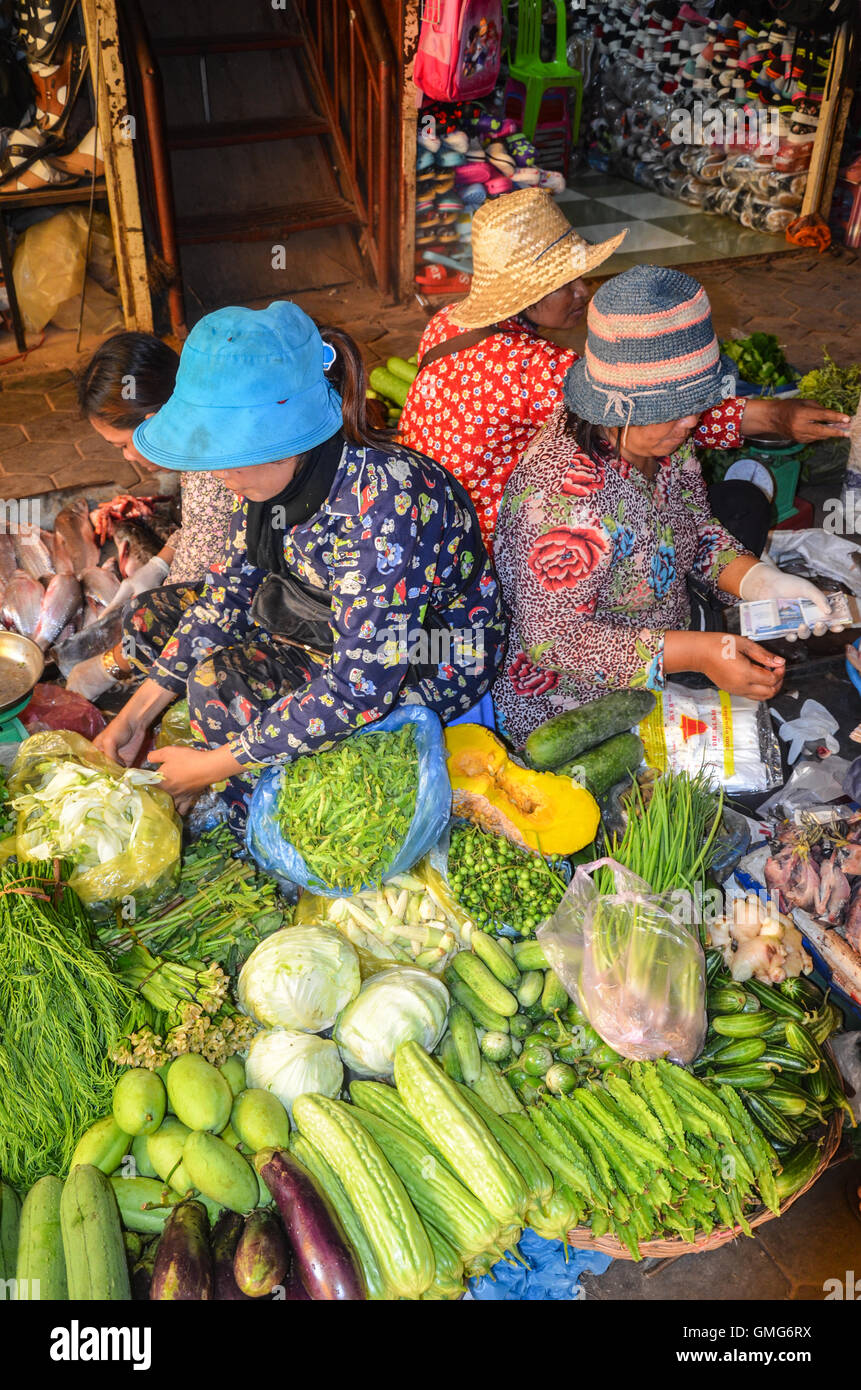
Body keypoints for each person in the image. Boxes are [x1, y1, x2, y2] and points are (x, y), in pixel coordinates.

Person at [93, 303, 507, 831]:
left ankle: (273, 823)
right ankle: (254, 783)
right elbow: (230, 595)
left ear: (283, 442)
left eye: (228, 456)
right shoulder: (278, 478)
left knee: (221, 691)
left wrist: (213, 767)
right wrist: (137, 714)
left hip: (430, 656)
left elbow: (360, 686)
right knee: (157, 625)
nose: (218, 475)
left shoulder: (386, 506)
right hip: (331, 621)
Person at [492, 265, 843, 748]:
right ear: (619, 408)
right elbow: (555, 642)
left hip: (662, 634)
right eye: (675, 411)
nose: (692, 422)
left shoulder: (661, 440)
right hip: (577, 706)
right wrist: (698, 654)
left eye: (696, 405)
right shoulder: (562, 502)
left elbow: (693, 524)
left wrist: (757, 579)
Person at [398, 188, 852, 552]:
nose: (583, 292)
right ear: (522, 296)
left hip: (429, 524)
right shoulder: (532, 368)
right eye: (565, 284)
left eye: (582, 276)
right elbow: (651, 410)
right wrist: (775, 418)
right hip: (492, 546)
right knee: (734, 505)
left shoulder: (449, 322)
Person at [68, 332, 235, 697]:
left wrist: (106, 667)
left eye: (123, 445)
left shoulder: (215, 470)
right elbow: (201, 528)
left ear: (155, 421)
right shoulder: (204, 427)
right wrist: (156, 567)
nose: (127, 457)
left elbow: (190, 611)